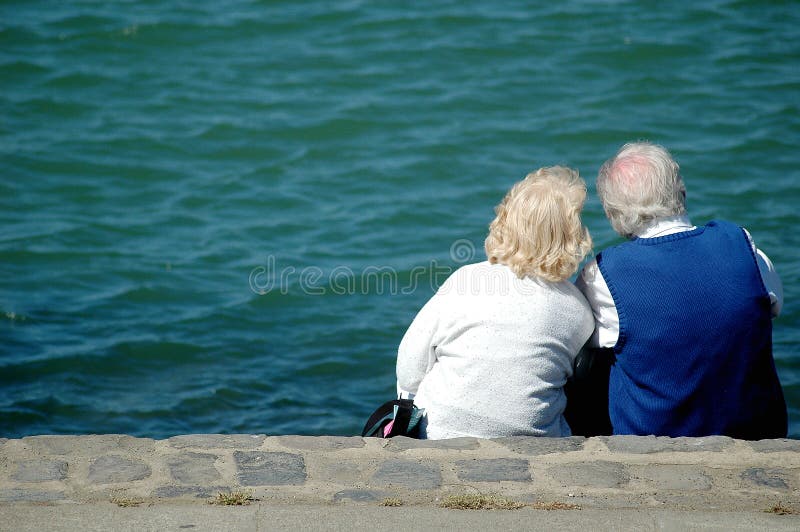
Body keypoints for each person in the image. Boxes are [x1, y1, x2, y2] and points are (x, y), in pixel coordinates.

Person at [575, 141, 787, 439]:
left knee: (587, 354)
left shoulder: (604, 273)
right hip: (757, 431)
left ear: (614, 214)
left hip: (657, 439)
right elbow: (775, 304)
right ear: (680, 191)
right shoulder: (741, 243)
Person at [396, 166, 594, 439]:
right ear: (570, 237)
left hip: (439, 434)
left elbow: (409, 367)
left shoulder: (467, 279)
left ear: (505, 222)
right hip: (534, 441)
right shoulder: (578, 310)